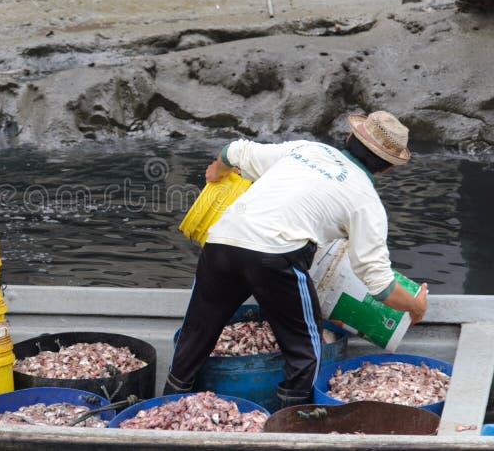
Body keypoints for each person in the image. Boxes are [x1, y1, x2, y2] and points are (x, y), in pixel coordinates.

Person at [163, 110, 429, 409]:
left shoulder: (306, 149)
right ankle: (292, 420)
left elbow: (234, 150)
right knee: (306, 350)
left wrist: (217, 171)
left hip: (221, 240)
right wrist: (415, 306)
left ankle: (167, 404)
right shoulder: (366, 201)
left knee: (196, 332)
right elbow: (379, 285)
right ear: (387, 170)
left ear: (349, 137)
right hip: (275, 258)